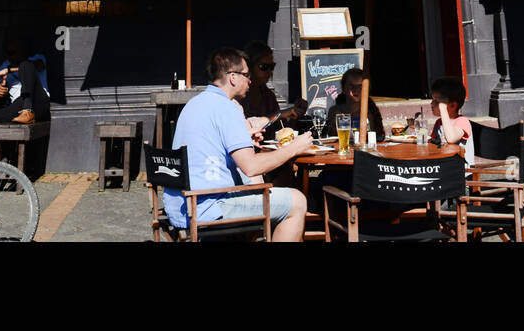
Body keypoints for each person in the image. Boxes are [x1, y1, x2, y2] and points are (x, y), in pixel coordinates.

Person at [164, 47, 313, 241]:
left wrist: (244, 139)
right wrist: (294, 148)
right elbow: (251, 167)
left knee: (258, 185)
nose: (250, 80)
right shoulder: (228, 108)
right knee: (297, 201)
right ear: (233, 77)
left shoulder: (195, 103)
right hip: (207, 206)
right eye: (246, 75)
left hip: (180, 204)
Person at [241, 41, 308, 126]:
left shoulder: (268, 96)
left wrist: (295, 115)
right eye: (264, 67)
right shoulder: (238, 96)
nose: (270, 72)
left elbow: (280, 130)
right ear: (249, 67)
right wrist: (279, 114)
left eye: (272, 67)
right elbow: (243, 129)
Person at [0, 39, 50, 126]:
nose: (10, 56)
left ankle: (27, 111)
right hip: (19, 104)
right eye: (7, 52)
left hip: (38, 101)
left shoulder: (36, 58)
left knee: (25, 65)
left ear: (22, 51)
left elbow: (38, 65)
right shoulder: (6, 64)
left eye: (13, 52)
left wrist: (8, 70)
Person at [324, 68, 386, 141]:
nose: (356, 90)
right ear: (344, 88)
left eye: (360, 86)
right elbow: (332, 138)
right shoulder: (335, 112)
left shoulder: (370, 111)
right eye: (351, 86)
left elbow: (376, 136)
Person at [429, 76, 474, 162]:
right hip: (443, 165)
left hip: (460, 169)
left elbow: (451, 138)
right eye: (432, 99)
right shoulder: (439, 122)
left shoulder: (462, 121)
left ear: (453, 105)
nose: (431, 104)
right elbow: (431, 144)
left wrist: (442, 108)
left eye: (437, 101)